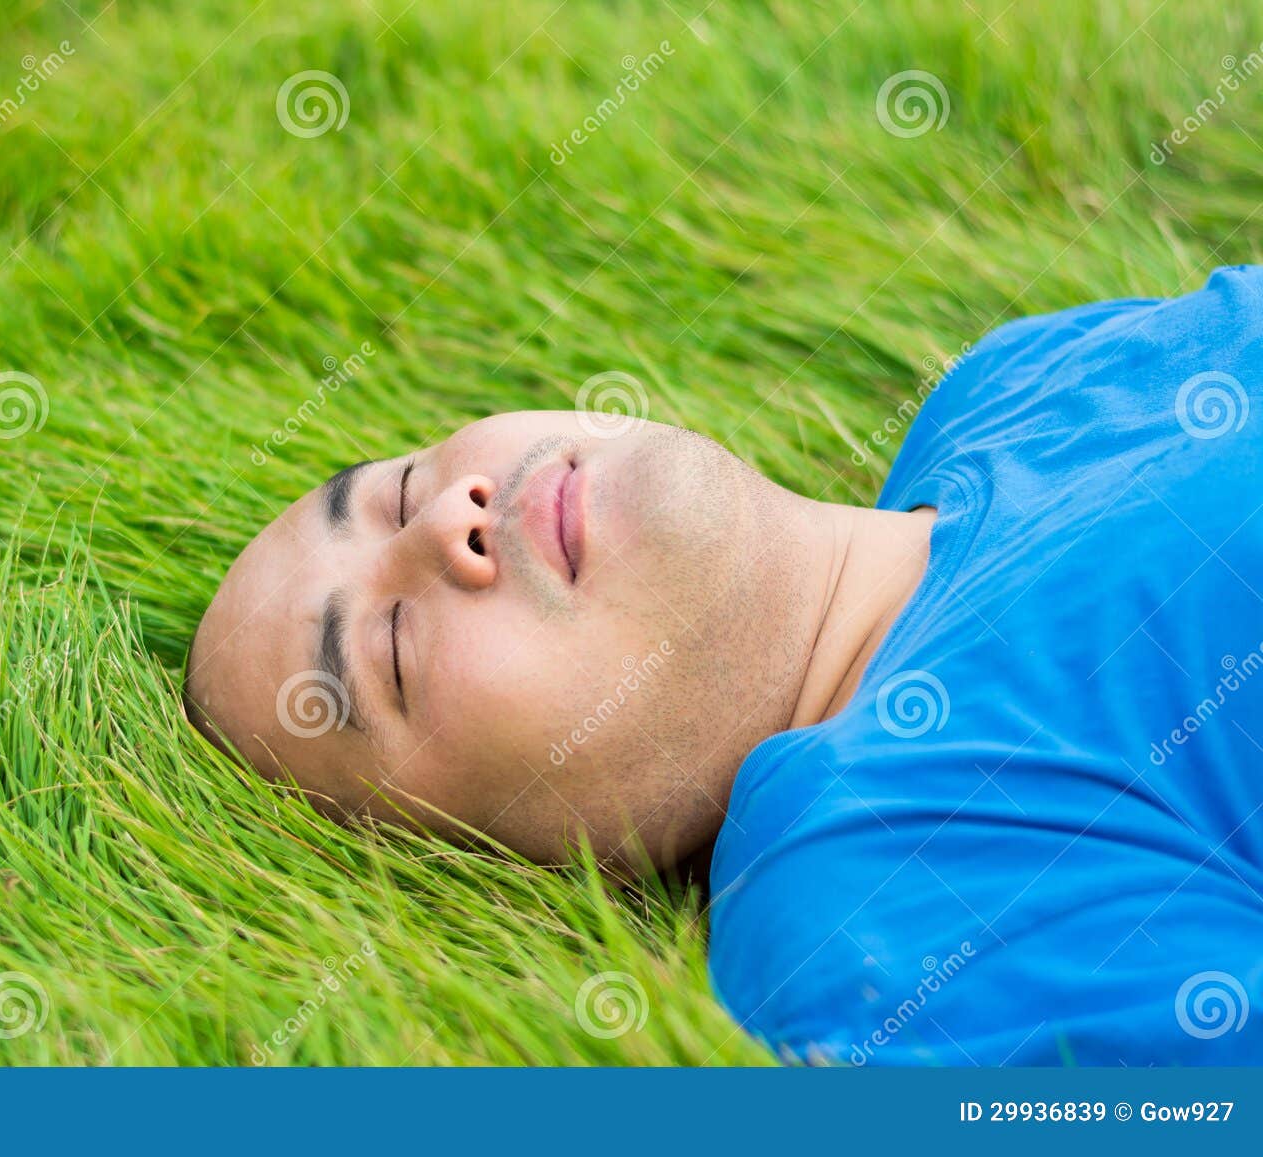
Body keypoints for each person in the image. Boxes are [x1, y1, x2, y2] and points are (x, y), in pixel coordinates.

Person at [185, 266, 1263, 1066]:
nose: (443, 520)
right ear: (486, 858)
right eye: (389, 650)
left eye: (393, 485)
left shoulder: (1016, 380)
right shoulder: (875, 899)